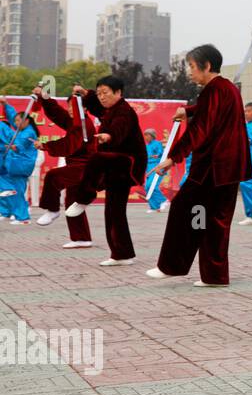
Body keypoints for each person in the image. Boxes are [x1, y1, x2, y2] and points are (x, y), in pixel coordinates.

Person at [145, 44, 252, 287]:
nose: (190, 72)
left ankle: (170, 265)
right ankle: (214, 276)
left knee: (183, 207)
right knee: (213, 221)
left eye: (192, 67)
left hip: (211, 168)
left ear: (206, 66)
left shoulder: (213, 91)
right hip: (229, 168)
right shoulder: (228, 89)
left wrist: (173, 157)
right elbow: (208, 112)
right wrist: (189, 110)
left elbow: (201, 130)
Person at [64, 77, 148, 266]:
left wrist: (108, 136)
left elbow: (120, 129)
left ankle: (83, 199)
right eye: (99, 93)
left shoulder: (125, 112)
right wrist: (87, 94)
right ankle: (122, 254)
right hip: (115, 168)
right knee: (114, 211)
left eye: (106, 93)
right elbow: (96, 106)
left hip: (129, 163)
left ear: (119, 93)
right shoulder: (109, 110)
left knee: (96, 159)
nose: (101, 97)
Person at [30, 86, 97, 247]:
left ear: (84, 108)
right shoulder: (73, 121)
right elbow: (57, 113)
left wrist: (46, 145)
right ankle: (82, 238)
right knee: (72, 202)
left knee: (54, 176)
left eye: (72, 106)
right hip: (76, 166)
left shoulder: (83, 124)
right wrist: (45, 97)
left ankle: (52, 209)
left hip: (85, 168)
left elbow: (70, 145)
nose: (69, 110)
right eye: (68, 106)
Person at [0, 102, 40, 224]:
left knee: (16, 191)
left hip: (21, 165)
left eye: (19, 121)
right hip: (14, 163)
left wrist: (9, 146)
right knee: (7, 185)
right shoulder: (21, 129)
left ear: (26, 121)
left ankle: (23, 218)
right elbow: (13, 117)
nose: (16, 123)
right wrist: (6, 105)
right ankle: (7, 211)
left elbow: (18, 145)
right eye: (15, 121)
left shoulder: (28, 133)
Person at [143, 129, 168, 213]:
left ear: (152, 136)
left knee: (152, 185)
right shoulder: (146, 146)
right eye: (145, 135)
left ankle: (163, 200)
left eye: (147, 135)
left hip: (157, 167)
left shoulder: (157, 144)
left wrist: (157, 155)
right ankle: (154, 207)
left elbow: (161, 154)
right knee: (147, 187)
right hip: (149, 168)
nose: (145, 137)